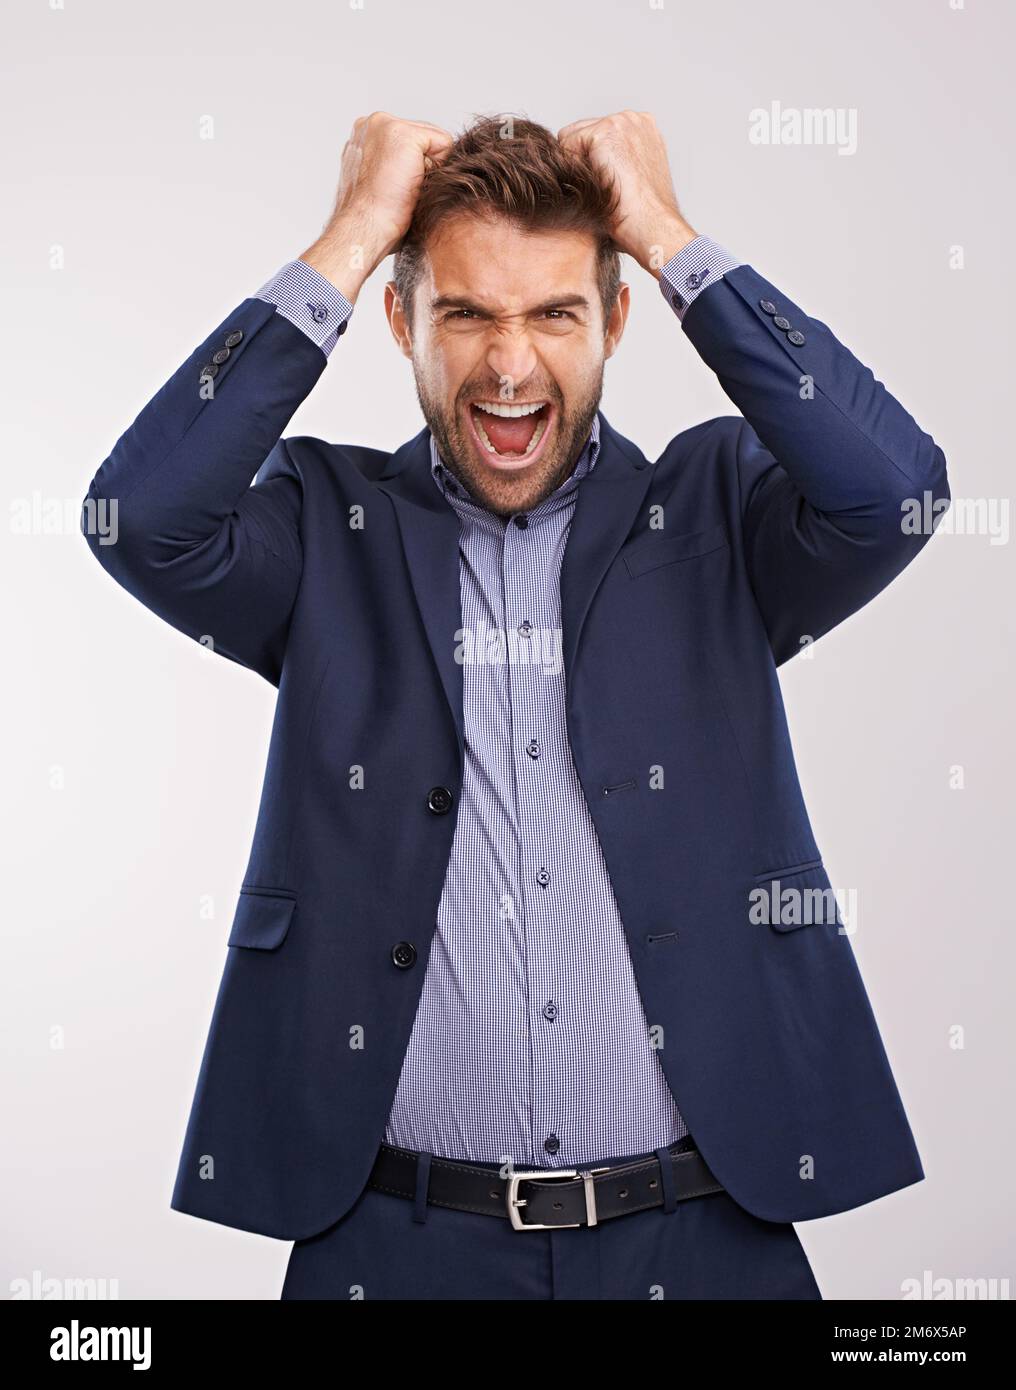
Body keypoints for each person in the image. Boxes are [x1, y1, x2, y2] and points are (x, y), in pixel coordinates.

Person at [81, 110, 949, 1301]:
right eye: (466, 312)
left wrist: (663, 233)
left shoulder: (713, 511)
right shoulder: (328, 526)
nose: (507, 364)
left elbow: (893, 488)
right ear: (399, 321)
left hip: (699, 1237)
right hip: (395, 1243)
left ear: (615, 322)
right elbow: (141, 517)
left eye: (554, 313)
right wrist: (349, 236)